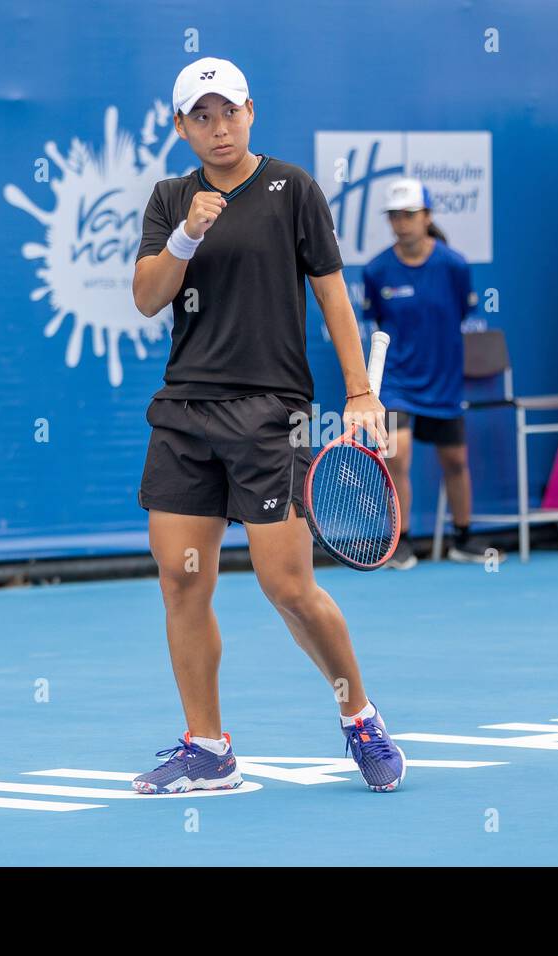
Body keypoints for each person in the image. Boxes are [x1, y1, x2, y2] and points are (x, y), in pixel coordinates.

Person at [130, 57, 406, 793]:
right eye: (202, 117)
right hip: (186, 413)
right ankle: (208, 747)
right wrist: (185, 237)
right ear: (181, 125)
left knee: (288, 587)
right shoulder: (169, 199)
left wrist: (358, 393)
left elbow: (333, 295)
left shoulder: (292, 189)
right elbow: (147, 297)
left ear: (251, 111)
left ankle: (360, 717)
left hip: (269, 414)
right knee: (181, 584)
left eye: (230, 112)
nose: (219, 128)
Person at [362, 178, 491, 569]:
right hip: (399, 383)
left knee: (455, 461)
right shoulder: (376, 271)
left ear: (427, 217)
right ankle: (401, 543)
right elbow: (378, 324)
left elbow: (462, 314)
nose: (402, 223)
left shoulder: (454, 266)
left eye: (410, 215)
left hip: (445, 382)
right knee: (398, 458)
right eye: (395, 216)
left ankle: (462, 538)